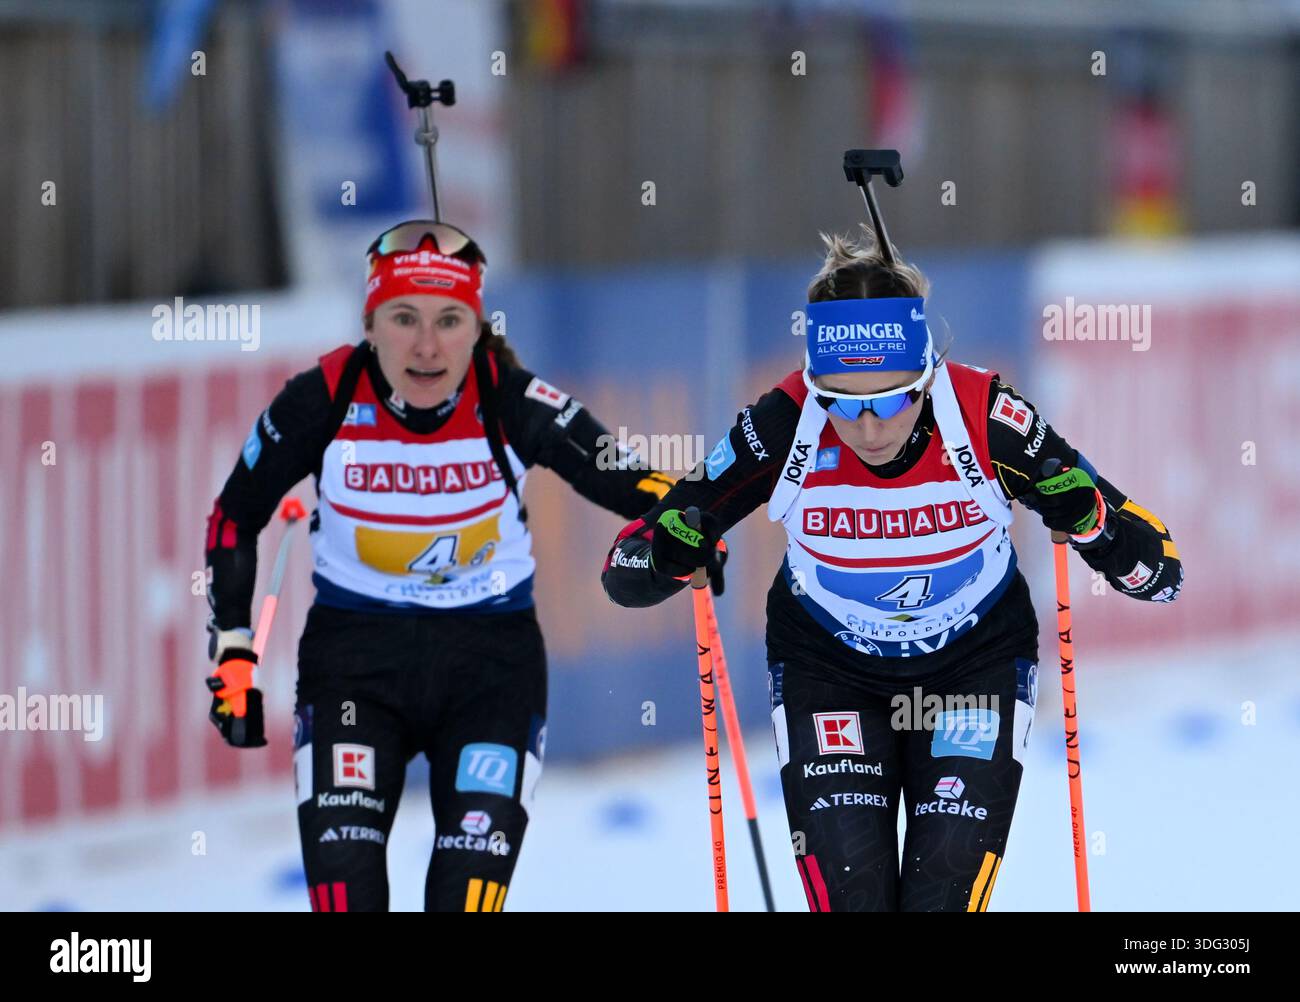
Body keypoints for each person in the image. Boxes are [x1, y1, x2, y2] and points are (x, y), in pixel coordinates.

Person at [601, 228, 1182, 912]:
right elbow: (627, 568)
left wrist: (1092, 523)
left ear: (927, 374)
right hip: (830, 671)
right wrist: (671, 553)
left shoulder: (989, 418)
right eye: (842, 402)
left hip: (974, 669)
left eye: (894, 398)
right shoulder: (783, 423)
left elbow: (1160, 572)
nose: (869, 427)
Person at [203, 220, 673, 912]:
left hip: (490, 673)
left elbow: (632, 481)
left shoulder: (512, 400)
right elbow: (234, 516)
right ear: (370, 323)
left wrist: (689, 528)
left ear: (478, 326)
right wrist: (233, 652)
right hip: (355, 667)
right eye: (404, 318)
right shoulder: (323, 399)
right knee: (345, 895)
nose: (427, 346)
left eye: (450, 320)